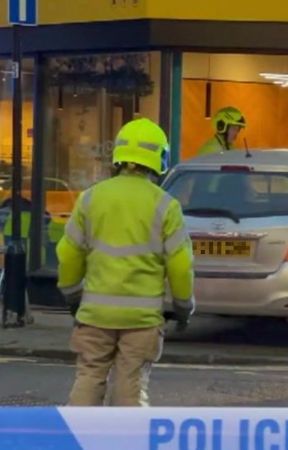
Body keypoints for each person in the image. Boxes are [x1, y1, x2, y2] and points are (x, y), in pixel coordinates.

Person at [57, 118, 195, 406]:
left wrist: (72, 294)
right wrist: (183, 307)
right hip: (141, 320)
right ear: (159, 157)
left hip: (95, 316)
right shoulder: (165, 205)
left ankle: (78, 432)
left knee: (89, 377)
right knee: (130, 385)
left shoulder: (90, 198)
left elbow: (69, 254)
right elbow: (181, 265)